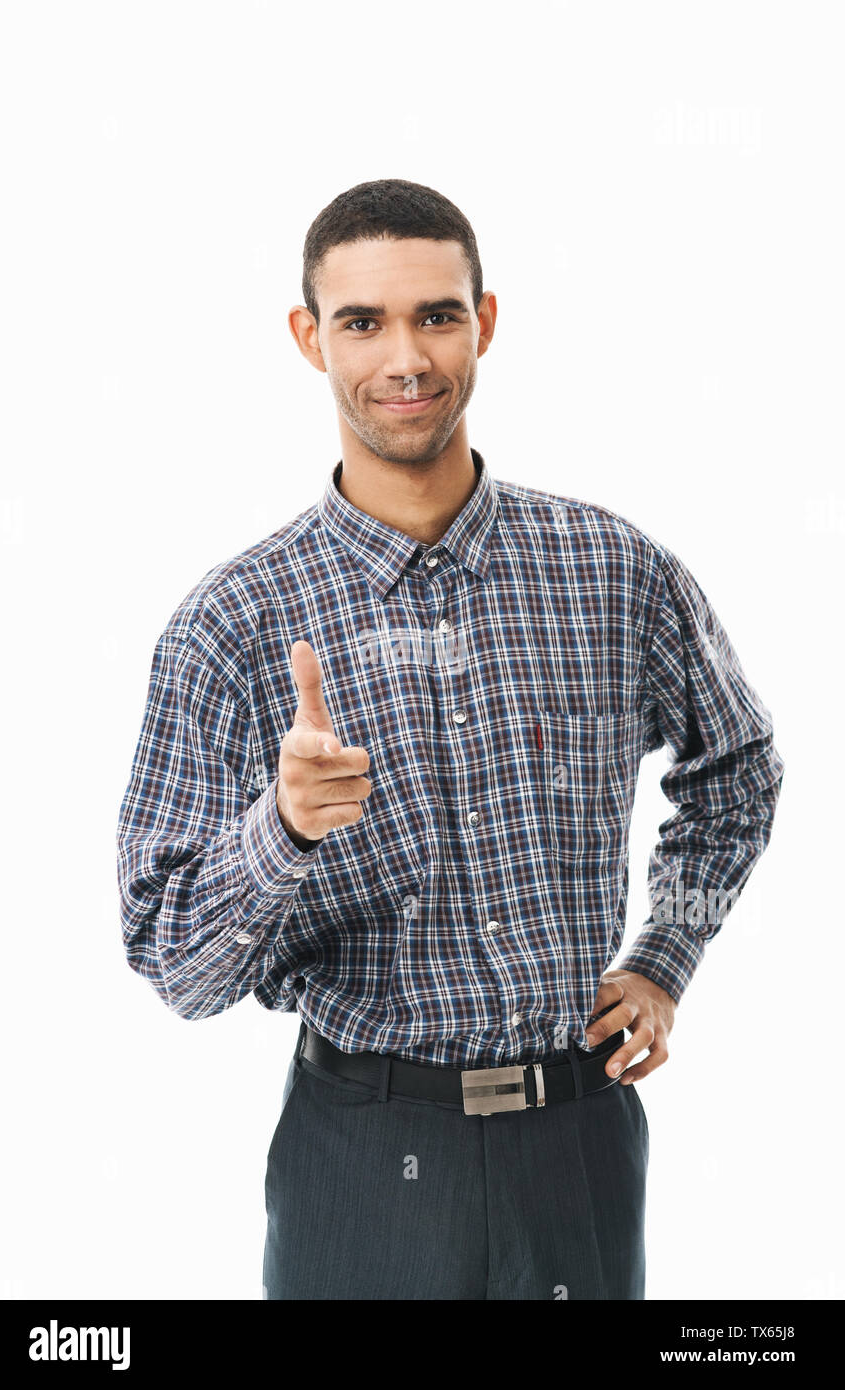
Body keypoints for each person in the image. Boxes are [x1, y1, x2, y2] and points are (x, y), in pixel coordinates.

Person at [116, 178, 785, 1301]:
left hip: (574, 1143)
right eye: (360, 321)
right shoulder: (230, 623)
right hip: (360, 1154)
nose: (404, 359)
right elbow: (172, 964)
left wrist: (664, 958)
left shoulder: (613, 571)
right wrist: (281, 828)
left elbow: (736, 769)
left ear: (482, 320)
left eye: (433, 315)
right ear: (307, 337)